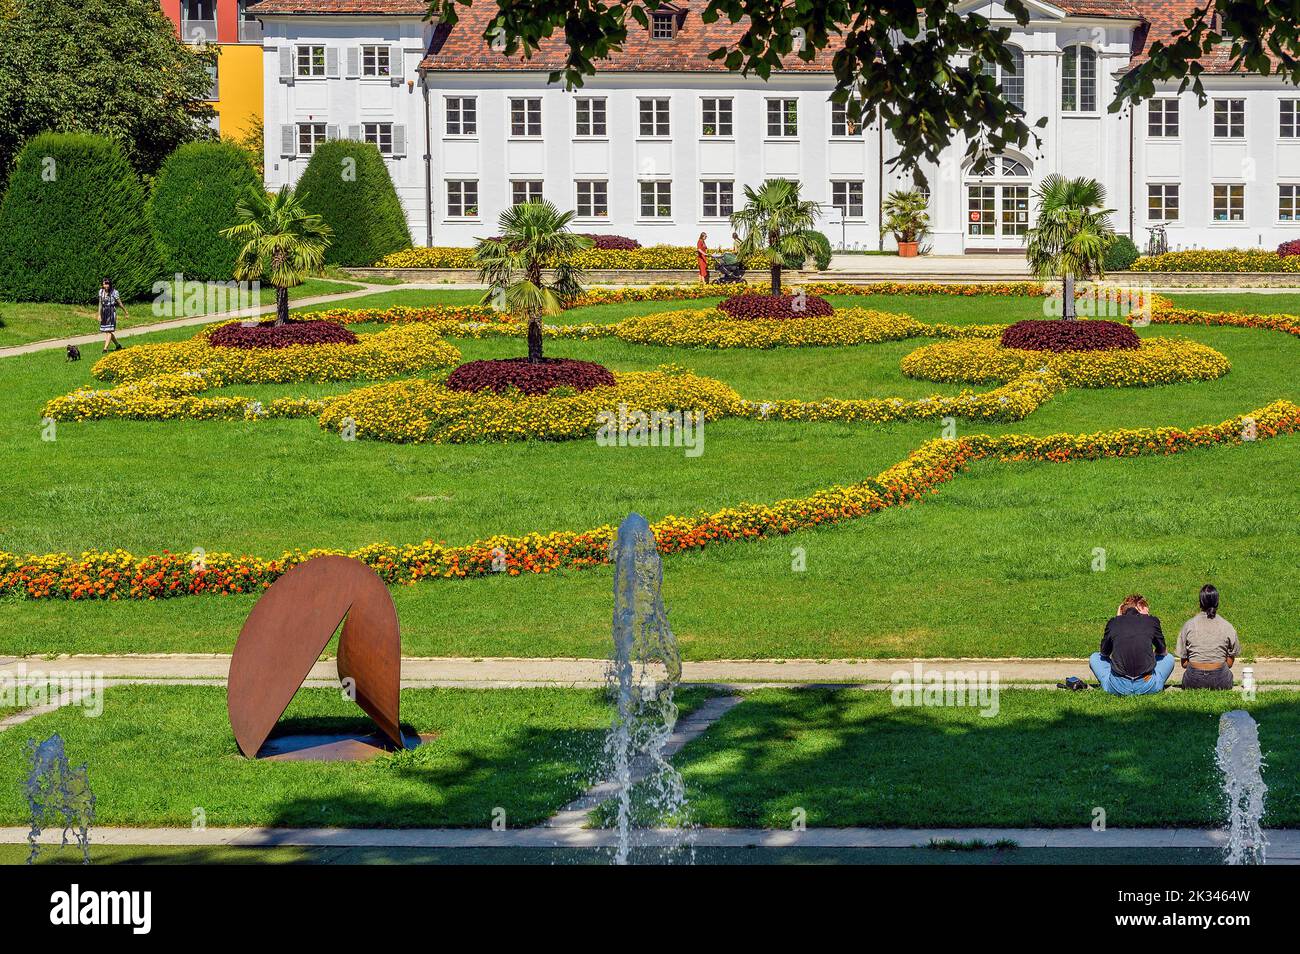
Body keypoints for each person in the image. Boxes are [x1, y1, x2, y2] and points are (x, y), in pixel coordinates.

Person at [1089, 594, 1175, 695]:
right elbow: (1162, 651)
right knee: (1169, 658)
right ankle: (1153, 685)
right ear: (1140, 605)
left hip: (1117, 686)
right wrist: (1152, 655)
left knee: (1094, 657)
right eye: (1147, 607)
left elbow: (1104, 653)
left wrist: (1117, 619)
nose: (1148, 611)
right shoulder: (1152, 621)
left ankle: (1111, 684)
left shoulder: (1113, 622)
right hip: (1148, 685)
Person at [1176, 584, 1240, 690]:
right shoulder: (1227, 626)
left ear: (1200, 603)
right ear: (1217, 602)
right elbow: (1229, 663)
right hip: (1221, 680)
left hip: (1192, 681)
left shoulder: (1189, 625)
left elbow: (1184, 663)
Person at [97, 278, 126, 352]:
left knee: (109, 331)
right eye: (104, 284)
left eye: (107, 284)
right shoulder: (101, 292)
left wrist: (125, 312)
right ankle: (118, 346)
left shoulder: (114, 292)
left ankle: (105, 348)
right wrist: (99, 314)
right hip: (104, 312)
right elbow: (100, 304)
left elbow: (119, 303)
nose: (105, 285)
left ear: (110, 284)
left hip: (111, 312)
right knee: (107, 331)